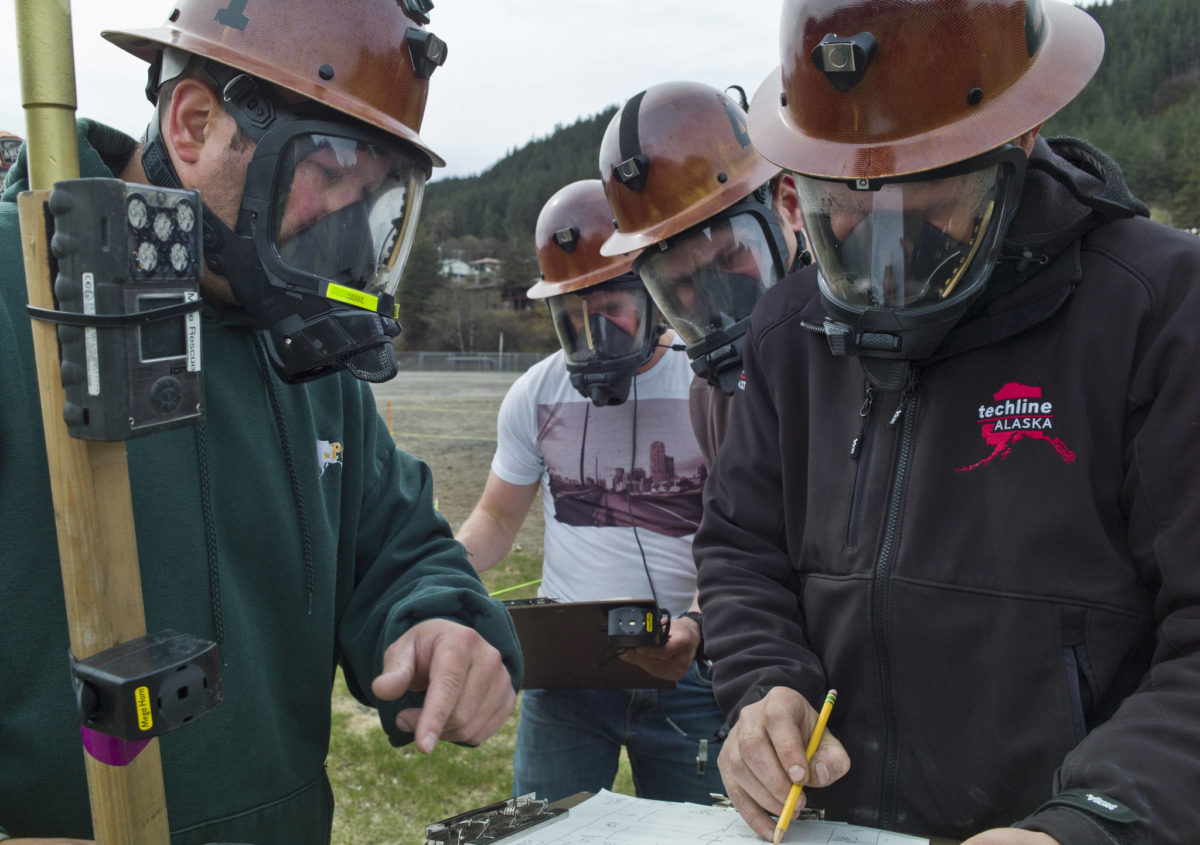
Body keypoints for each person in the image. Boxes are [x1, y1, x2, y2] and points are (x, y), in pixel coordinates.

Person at [0, 1, 521, 842]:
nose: (344, 227)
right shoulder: (14, 298)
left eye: (374, 193)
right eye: (328, 172)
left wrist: (439, 619)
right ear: (196, 123)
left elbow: (398, 545)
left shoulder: (305, 346)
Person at [694, 0, 1200, 843]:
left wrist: (1090, 819)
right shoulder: (790, 331)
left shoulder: (1158, 311)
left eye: (925, 191)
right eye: (847, 199)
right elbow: (741, 548)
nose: (881, 248)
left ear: (1021, 142)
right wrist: (762, 684)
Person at [455, 179, 726, 805]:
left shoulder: (708, 381)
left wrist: (700, 624)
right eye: (572, 316)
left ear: (655, 294)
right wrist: (440, 573)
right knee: (548, 828)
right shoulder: (534, 392)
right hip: (569, 674)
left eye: (610, 308)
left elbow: (748, 536)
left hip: (689, 665)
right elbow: (496, 519)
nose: (591, 331)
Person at [597, 81, 808, 464]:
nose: (715, 299)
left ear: (790, 205)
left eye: (730, 256)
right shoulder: (710, 395)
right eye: (681, 283)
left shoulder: (874, 359)